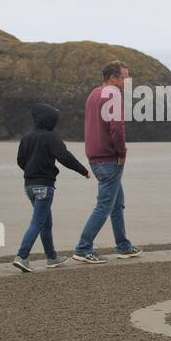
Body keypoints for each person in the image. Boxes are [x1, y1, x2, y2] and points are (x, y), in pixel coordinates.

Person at [72, 60, 142, 263]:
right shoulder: (113, 94)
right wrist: (122, 152)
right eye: (124, 77)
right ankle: (83, 248)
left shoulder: (94, 94)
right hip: (108, 158)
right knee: (104, 205)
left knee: (117, 203)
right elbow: (116, 127)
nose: (127, 81)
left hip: (94, 155)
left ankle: (123, 245)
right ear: (113, 78)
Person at [12, 103, 91, 272]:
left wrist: (31, 171)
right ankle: (22, 256)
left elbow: (20, 160)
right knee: (38, 222)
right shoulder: (51, 137)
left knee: (45, 222)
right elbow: (65, 157)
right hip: (45, 186)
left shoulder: (27, 136)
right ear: (49, 121)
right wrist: (83, 171)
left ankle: (52, 258)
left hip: (29, 186)